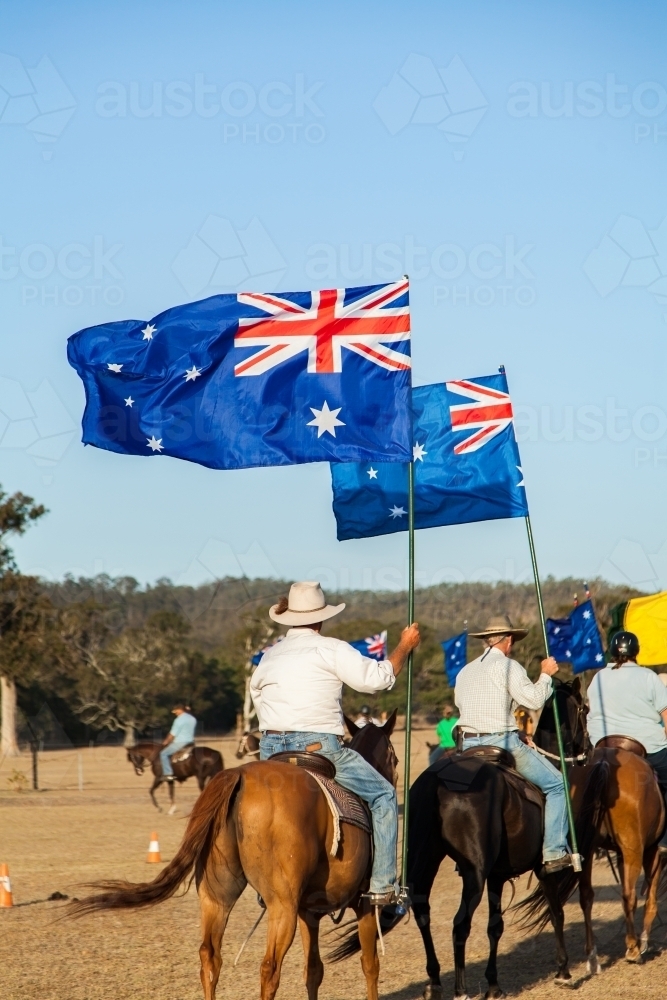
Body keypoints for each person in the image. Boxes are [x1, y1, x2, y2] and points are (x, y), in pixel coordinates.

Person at [250, 580, 421, 906]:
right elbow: (378, 680)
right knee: (384, 796)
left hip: (271, 752)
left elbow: (256, 694)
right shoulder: (331, 648)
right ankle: (384, 887)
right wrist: (405, 646)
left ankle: (264, 888)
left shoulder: (268, 656)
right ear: (320, 618)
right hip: (319, 749)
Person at [454, 614, 572, 874]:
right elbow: (533, 700)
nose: (513, 645)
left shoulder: (465, 671)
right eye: (513, 641)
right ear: (508, 640)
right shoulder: (509, 666)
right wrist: (545, 675)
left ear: (486, 640)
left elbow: (466, 708)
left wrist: (516, 730)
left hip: (465, 746)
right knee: (558, 786)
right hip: (501, 744)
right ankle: (554, 851)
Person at [587, 630, 667, 853]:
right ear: (636, 652)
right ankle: (664, 843)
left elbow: (591, 710)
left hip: (602, 748)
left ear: (613, 652)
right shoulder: (649, 676)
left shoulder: (599, 677)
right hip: (645, 746)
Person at [160, 702, 197, 781]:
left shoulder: (178, 720)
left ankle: (168, 774)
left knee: (163, 754)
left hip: (180, 742)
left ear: (180, 710)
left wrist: (166, 742)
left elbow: (172, 734)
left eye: (176, 711)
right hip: (191, 742)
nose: (175, 713)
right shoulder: (193, 719)